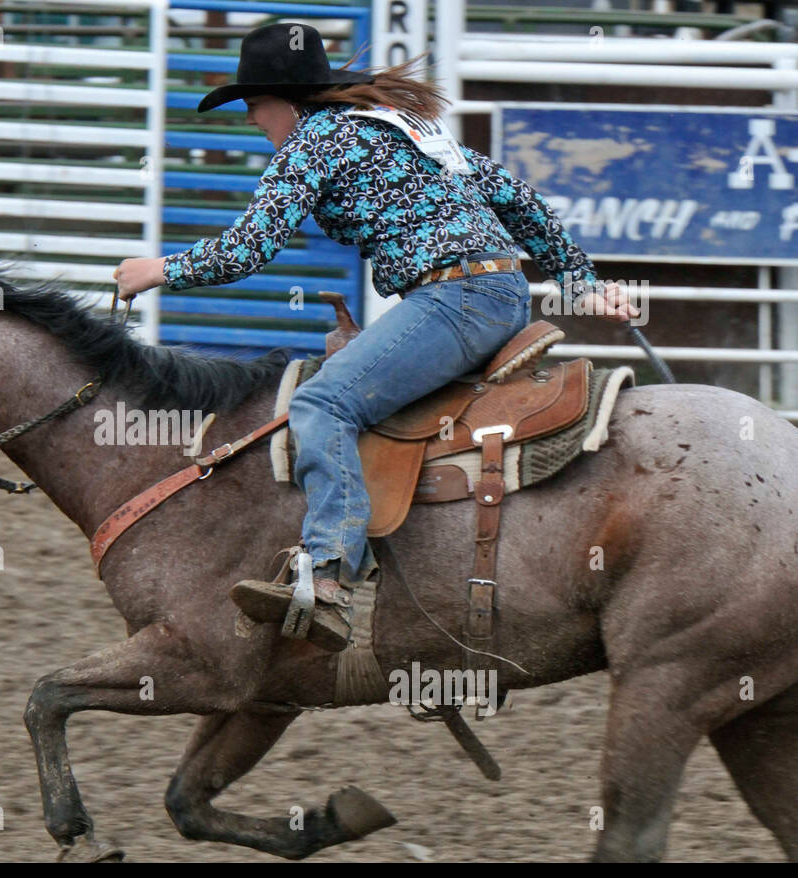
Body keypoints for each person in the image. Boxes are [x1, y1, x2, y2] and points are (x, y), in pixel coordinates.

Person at [113, 22, 638, 652]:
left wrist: (158, 270)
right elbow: (516, 197)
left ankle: (331, 578)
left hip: (455, 298)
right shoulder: (404, 128)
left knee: (321, 402)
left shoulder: (313, 142)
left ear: (283, 101)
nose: (254, 121)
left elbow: (250, 249)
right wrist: (581, 285)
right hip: (493, 292)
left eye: (253, 105)